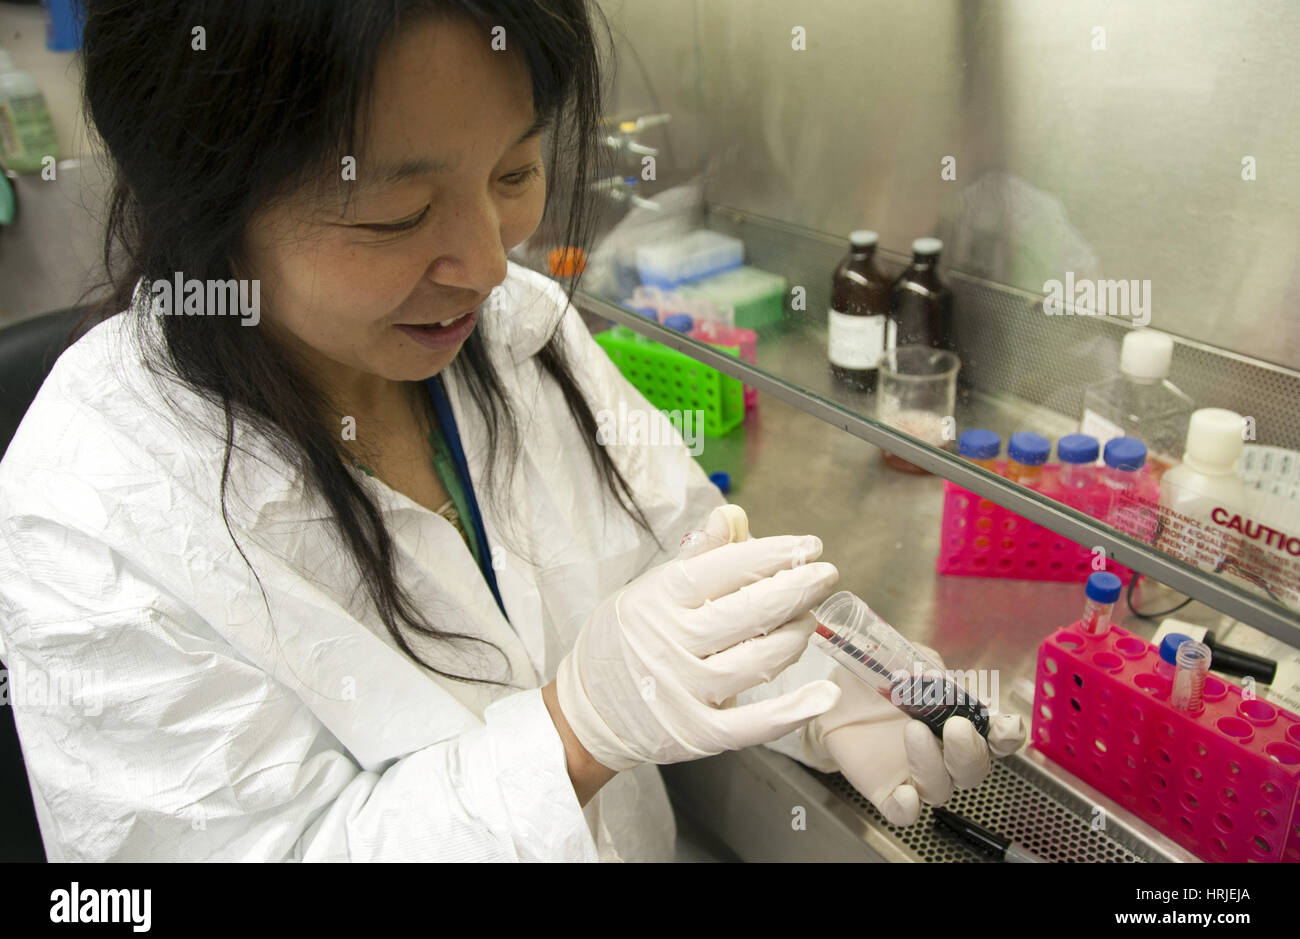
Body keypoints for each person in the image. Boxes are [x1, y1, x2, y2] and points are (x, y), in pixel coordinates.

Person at [0, 0, 1022, 862]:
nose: (487, 265)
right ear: (204, 205)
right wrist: (574, 731)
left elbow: (691, 552)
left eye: (514, 173)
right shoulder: (90, 513)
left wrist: (831, 690)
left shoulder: (515, 331)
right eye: (397, 216)